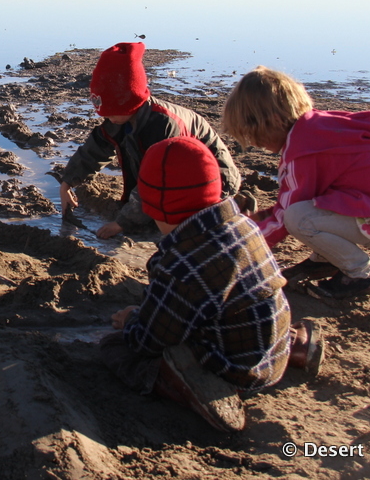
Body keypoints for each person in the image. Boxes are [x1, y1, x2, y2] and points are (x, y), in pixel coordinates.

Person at [100, 136, 322, 432]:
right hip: (271, 346)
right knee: (235, 303)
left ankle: (189, 387)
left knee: (116, 349)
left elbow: (149, 339)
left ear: (156, 208)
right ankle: (297, 347)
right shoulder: (242, 224)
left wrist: (132, 321)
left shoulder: (183, 264)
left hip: (237, 370)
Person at [221, 66, 370, 300]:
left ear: (273, 121)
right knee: (307, 210)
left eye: (254, 135)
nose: (256, 144)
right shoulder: (318, 129)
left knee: (299, 218)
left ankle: (363, 273)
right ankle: (325, 259)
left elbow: (284, 215)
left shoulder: (304, 152)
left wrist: (240, 247)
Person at [59, 42, 241, 239]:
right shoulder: (119, 117)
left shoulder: (164, 125)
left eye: (111, 112)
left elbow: (157, 181)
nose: (107, 118)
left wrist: (121, 223)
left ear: (129, 102)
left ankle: (236, 207)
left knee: (182, 228)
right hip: (174, 176)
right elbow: (95, 149)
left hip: (214, 180)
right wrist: (67, 183)